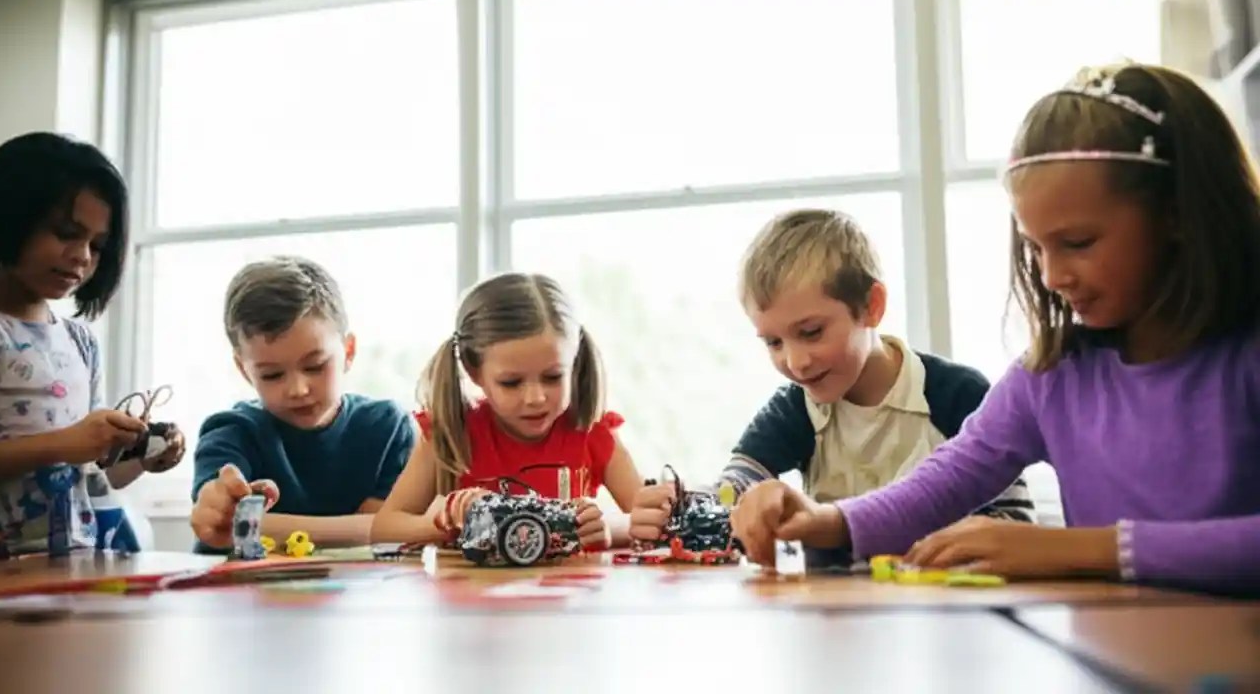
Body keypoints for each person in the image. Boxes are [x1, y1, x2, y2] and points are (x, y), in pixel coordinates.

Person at [730, 63, 1260, 595]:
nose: (1051, 277)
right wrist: (824, 520)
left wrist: (1082, 549)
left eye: (1077, 243)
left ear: (1176, 214)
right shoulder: (1050, 377)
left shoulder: (1244, 359)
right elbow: (943, 483)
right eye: (1036, 248)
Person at [630, 209, 1033, 554]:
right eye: (773, 342)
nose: (795, 362)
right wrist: (681, 507)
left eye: (811, 332)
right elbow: (733, 488)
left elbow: (1012, 522)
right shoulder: (794, 409)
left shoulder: (957, 395)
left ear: (872, 307)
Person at [0, 132, 183, 555]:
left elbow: (93, 473)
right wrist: (63, 443)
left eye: (98, 245)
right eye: (65, 233)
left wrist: (143, 457)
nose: (83, 256)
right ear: (8, 216)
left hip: (74, 560)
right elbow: (67, 446)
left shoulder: (80, 342)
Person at [371, 272, 644, 551]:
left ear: (574, 364)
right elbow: (384, 528)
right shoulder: (451, 435)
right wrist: (447, 522)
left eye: (553, 377)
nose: (535, 398)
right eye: (511, 383)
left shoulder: (593, 432)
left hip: (569, 580)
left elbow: (651, 522)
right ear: (473, 371)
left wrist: (606, 528)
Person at [189, 256, 412, 552]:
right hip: (243, 582)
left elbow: (384, 533)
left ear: (348, 351)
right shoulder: (230, 432)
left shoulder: (388, 428)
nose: (298, 389)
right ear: (244, 369)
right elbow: (222, 522)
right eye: (272, 375)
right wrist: (222, 514)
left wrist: (253, 524)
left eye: (315, 366)